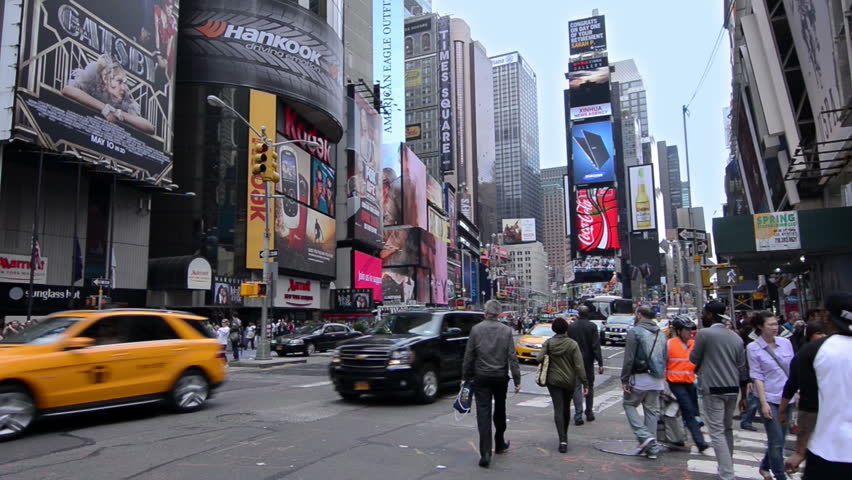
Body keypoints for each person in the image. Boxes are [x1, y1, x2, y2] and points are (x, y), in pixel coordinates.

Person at [784, 293, 852, 478]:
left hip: (829, 451)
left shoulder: (815, 350)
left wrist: (800, 451)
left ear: (828, 317)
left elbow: (809, 405)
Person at [690, 301, 749, 480]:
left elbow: (694, 358)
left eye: (704, 312)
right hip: (733, 389)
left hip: (713, 388)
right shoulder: (736, 337)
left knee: (716, 431)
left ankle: (727, 473)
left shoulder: (704, 334)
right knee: (727, 428)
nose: (702, 316)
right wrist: (744, 396)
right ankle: (727, 465)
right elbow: (742, 368)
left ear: (710, 315)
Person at [462, 300, 522, 468]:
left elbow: (469, 355)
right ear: (499, 313)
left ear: (485, 312)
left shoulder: (476, 330)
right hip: (500, 376)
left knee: (483, 413)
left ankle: (485, 452)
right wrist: (517, 379)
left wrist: (465, 376)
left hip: (481, 376)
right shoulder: (506, 330)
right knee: (500, 409)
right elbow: (512, 356)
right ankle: (500, 442)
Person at [747, 311, 794, 480]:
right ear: (760, 326)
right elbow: (757, 376)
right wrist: (763, 402)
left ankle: (765, 466)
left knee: (780, 438)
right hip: (769, 398)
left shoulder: (786, 343)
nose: (775, 328)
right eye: (771, 325)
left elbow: (793, 370)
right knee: (776, 440)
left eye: (776, 324)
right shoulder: (753, 348)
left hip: (787, 397)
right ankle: (779, 475)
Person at [61, 54, 155, 133]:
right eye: (119, 81)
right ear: (106, 78)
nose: (123, 87)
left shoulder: (123, 98)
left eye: (124, 83)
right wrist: (104, 108)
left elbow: (149, 127)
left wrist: (118, 113)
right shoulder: (91, 81)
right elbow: (67, 90)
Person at [620, 306, 668, 459]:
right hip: (657, 378)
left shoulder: (635, 332)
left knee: (628, 404)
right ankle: (652, 449)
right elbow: (665, 357)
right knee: (651, 411)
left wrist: (624, 379)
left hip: (639, 377)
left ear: (639, 315)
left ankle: (644, 435)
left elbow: (629, 358)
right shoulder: (661, 333)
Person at [537, 317, 588, 453]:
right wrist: (585, 382)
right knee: (566, 408)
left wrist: (547, 353)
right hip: (569, 380)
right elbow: (579, 365)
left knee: (557, 408)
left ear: (554, 329)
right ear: (566, 328)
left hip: (553, 380)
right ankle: (564, 435)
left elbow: (539, 358)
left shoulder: (549, 343)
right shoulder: (572, 344)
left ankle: (562, 440)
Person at [666, 315, 710, 452]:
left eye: (690, 329)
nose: (690, 332)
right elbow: (663, 363)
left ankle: (679, 437)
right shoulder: (670, 344)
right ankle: (700, 441)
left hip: (690, 383)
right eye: (686, 330)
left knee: (692, 412)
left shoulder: (693, 344)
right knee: (688, 411)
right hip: (675, 383)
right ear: (678, 331)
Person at [567, 306, 604, 425]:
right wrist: (600, 362)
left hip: (574, 360)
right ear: (588, 314)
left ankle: (578, 414)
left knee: (576, 386)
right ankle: (589, 412)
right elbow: (595, 346)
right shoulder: (592, 326)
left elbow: (568, 344)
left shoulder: (572, 327)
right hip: (588, 360)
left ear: (578, 314)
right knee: (589, 385)